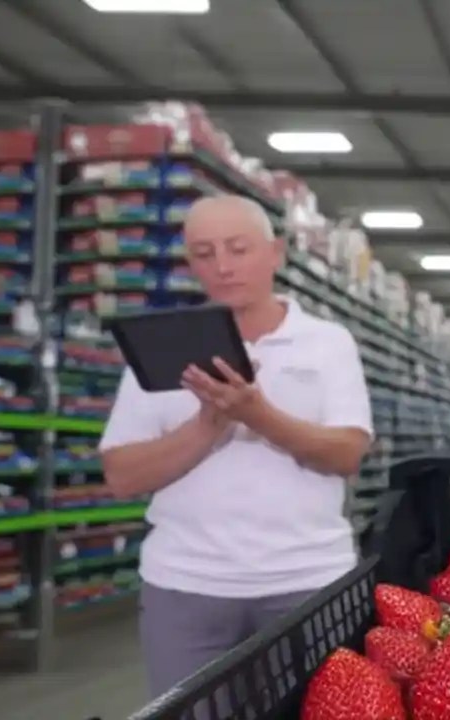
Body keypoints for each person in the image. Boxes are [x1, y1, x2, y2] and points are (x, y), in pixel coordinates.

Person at [98, 195, 373, 701]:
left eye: (238, 248)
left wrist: (257, 414)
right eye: (204, 253)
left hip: (309, 583)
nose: (222, 266)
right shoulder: (158, 346)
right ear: (189, 263)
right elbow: (121, 475)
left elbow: (347, 453)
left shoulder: (328, 344)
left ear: (275, 252)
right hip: (185, 586)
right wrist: (209, 424)